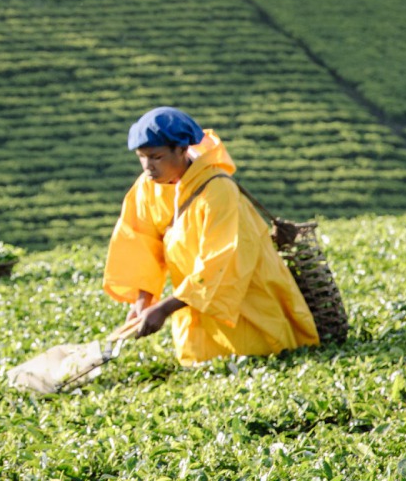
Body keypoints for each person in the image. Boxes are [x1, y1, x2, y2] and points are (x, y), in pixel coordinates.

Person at [102, 107, 319, 365]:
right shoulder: (147, 187)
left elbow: (221, 260)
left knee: (262, 355)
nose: (148, 167)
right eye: (142, 157)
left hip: (244, 291)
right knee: (204, 364)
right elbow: (140, 241)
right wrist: (144, 299)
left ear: (182, 150)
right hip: (192, 295)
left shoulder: (218, 189)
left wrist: (165, 308)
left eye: (156, 157)